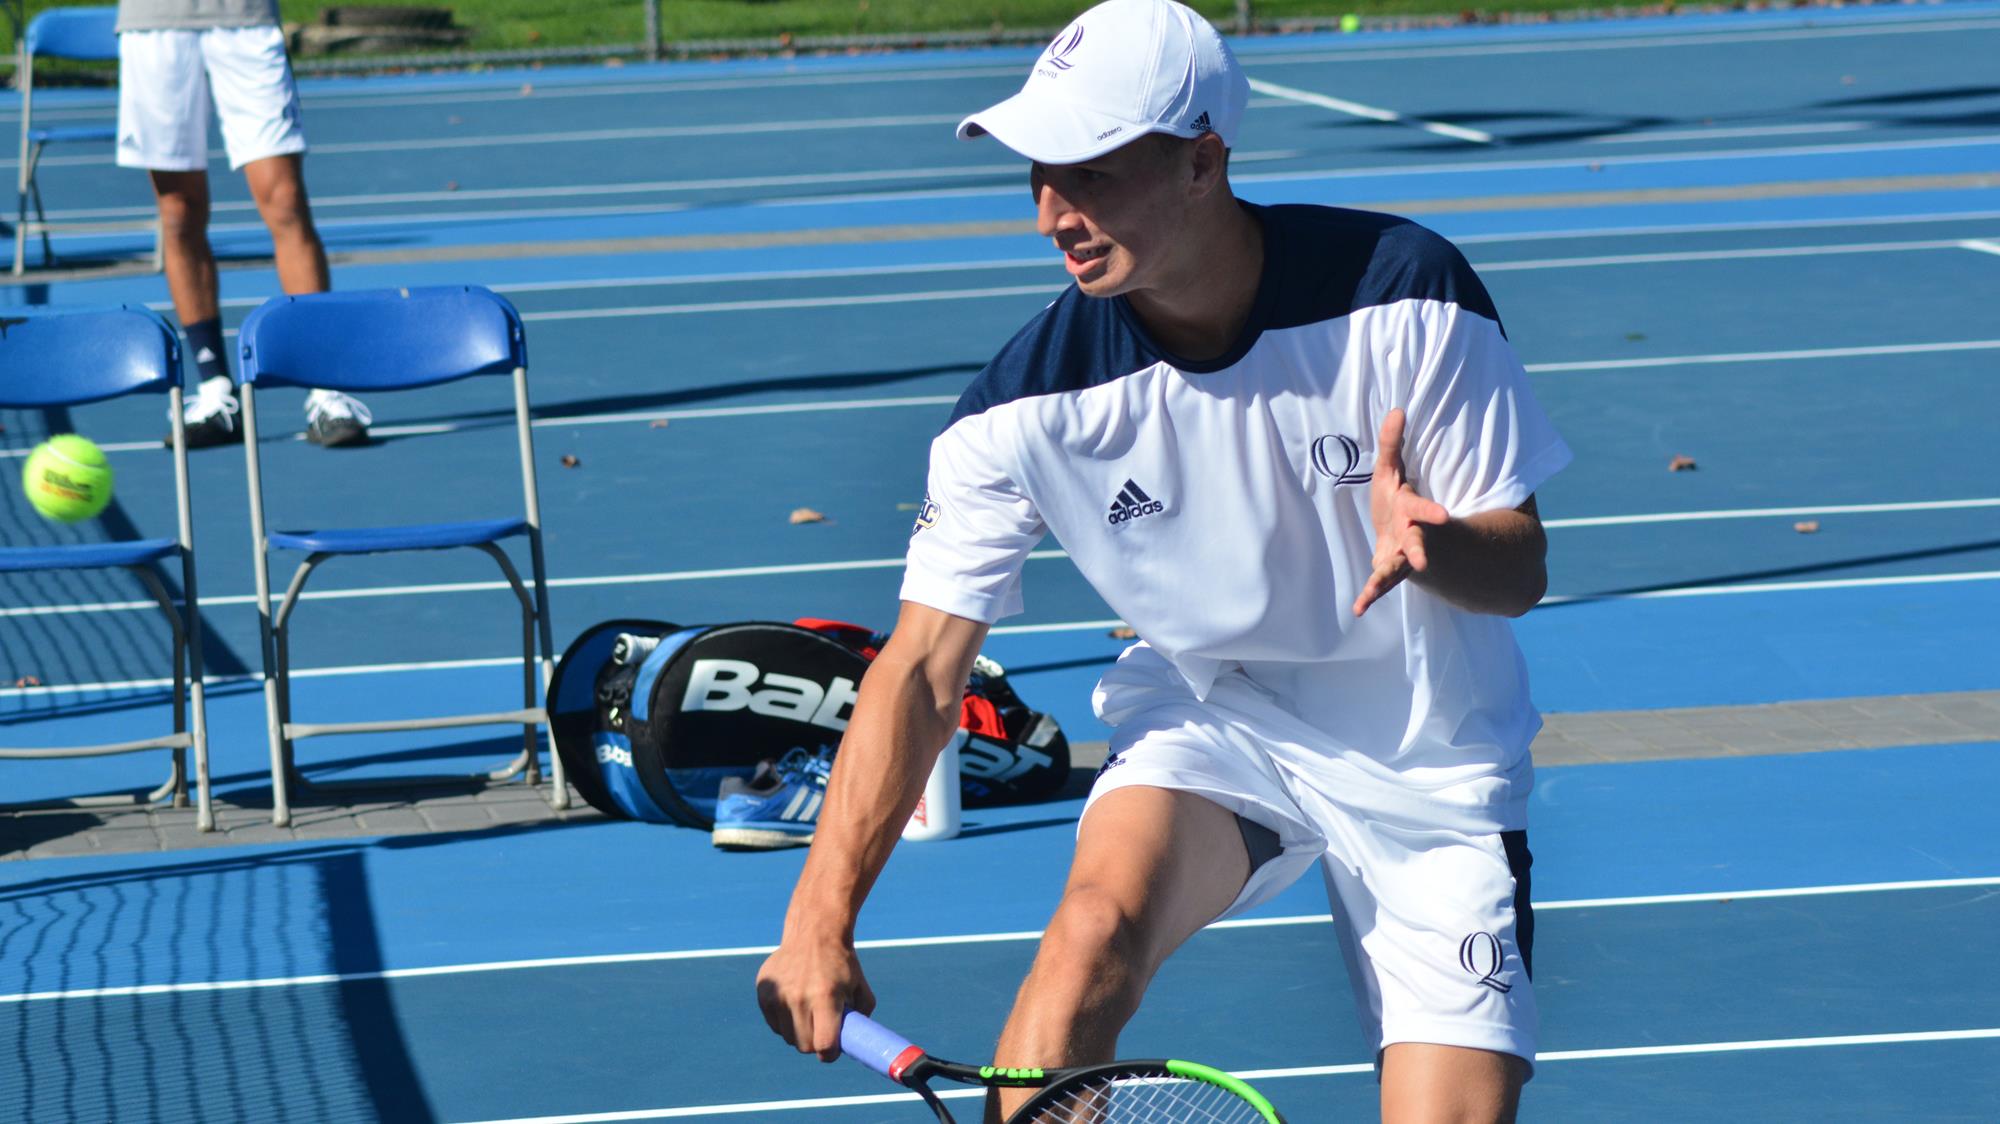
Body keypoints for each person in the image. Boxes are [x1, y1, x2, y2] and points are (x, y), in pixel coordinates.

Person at [754, 2, 1570, 1120]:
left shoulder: (1405, 293)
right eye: (1039, 173)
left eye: (1089, 171)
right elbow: (920, 670)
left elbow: (1516, 570)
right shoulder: (1020, 410)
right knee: (1089, 933)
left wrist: (1432, 547)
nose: (1052, 212)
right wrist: (816, 921)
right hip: (1217, 715)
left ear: (1202, 161)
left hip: (1430, 751)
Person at [115, 0, 370, 447]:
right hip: (155, 22)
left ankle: (325, 388)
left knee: (285, 200)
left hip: (244, 20)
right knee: (178, 211)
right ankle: (215, 390)